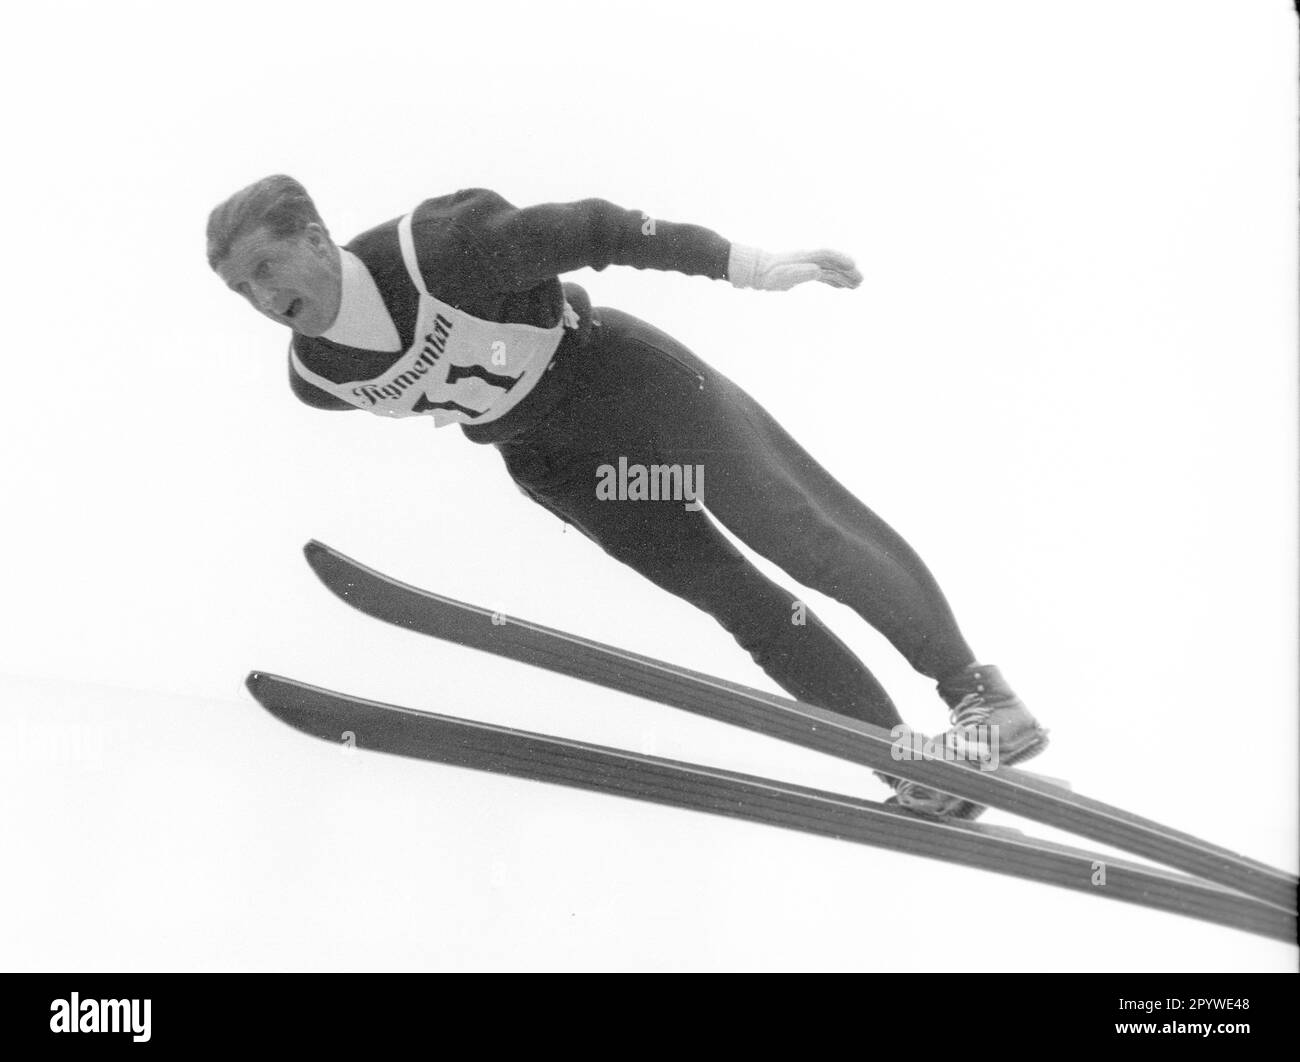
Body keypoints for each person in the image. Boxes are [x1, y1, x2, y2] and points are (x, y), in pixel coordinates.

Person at [207, 175, 1048, 818]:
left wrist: (744, 264)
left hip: (625, 383)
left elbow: (600, 230)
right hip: (560, 461)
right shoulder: (318, 378)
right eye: (240, 290)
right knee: (741, 603)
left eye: (264, 268)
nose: (261, 300)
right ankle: (910, 763)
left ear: (316, 239)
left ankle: (983, 700)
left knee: (797, 532)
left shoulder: (444, 245)